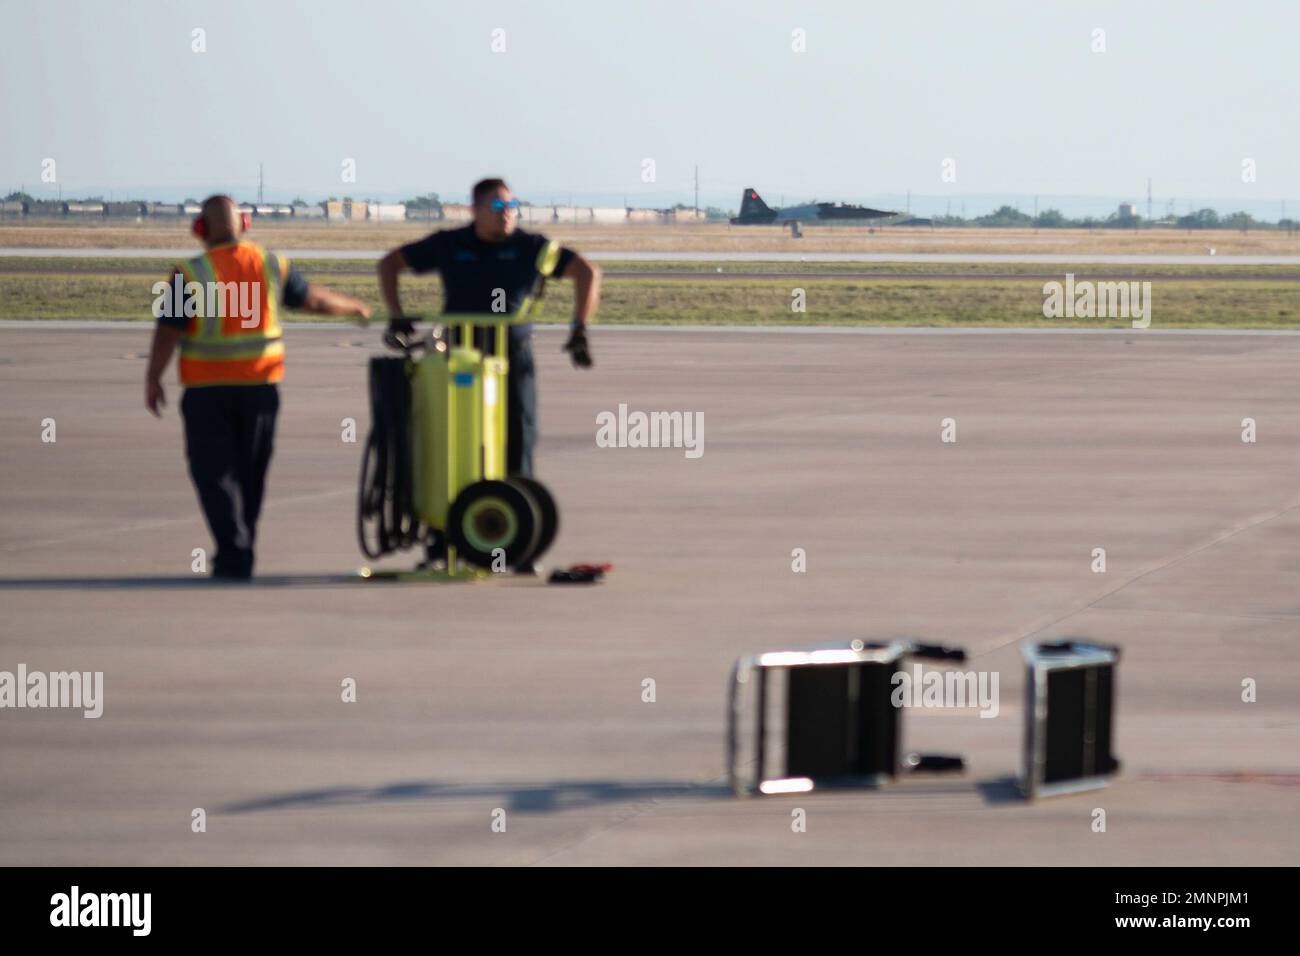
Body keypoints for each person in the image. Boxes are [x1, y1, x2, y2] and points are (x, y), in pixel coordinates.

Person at [145, 194, 371, 579]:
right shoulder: (270, 264)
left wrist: (153, 377)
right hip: (260, 390)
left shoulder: (189, 272)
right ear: (245, 225)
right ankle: (240, 547)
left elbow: (168, 331)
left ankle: (234, 551)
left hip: (206, 391)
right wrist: (354, 306)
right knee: (251, 472)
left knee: (213, 474)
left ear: (200, 229)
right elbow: (312, 301)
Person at [377, 177, 600, 482]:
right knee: (460, 431)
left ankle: (515, 501)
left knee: (519, 432)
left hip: (513, 356)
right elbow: (389, 264)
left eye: (511, 205)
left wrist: (579, 329)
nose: (506, 212)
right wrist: (397, 317)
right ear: (475, 210)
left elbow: (586, 272)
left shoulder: (531, 247)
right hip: (460, 354)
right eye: (497, 205)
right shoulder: (449, 243)